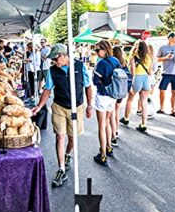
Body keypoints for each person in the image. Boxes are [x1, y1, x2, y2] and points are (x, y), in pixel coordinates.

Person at [32, 44, 92, 187]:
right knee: (60, 136)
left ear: (64, 55)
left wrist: (89, 105)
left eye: (55, 59)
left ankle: (67, 155)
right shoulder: (52, 71)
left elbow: (88, 86)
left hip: (76, 107)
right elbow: (47, 90)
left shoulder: (79, 66)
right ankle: (61, 169)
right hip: (59, 106)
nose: (54, 62)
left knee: (72, 138)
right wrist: (39, 106)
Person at [92, 40, 120, 166]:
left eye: (98, 50)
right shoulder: (116, 60)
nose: (96, 52)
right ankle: (109, 147)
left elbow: (95, 80)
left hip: (103, 96)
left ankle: (102, 155)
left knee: (101, 126)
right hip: (112, 96)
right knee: (108, 122)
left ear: (104, 49)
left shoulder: (101, 63)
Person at [120, 40, 152, 133]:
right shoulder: (149, 57)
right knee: (144, 103)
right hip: (146, 79)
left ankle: (126, 118)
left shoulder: (133, 57)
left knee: (130, 99)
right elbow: (150, 72)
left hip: (137, 78)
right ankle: (143, 124)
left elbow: (133, 72)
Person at [157, 32, 175, 118]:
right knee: (162, 90)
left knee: (174, 92)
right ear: (170, 38)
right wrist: (166, 57)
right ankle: (161, 108)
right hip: (166, 73)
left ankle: (173, 110)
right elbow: (157, 59)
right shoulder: (163, 48)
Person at [111, 46, 132, 145]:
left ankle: (113, 134)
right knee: (117, 111)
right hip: (122, 91)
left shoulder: (114, 64)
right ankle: (116, 130)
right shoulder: (124, 64)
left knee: (112, 113)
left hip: (114, 90)